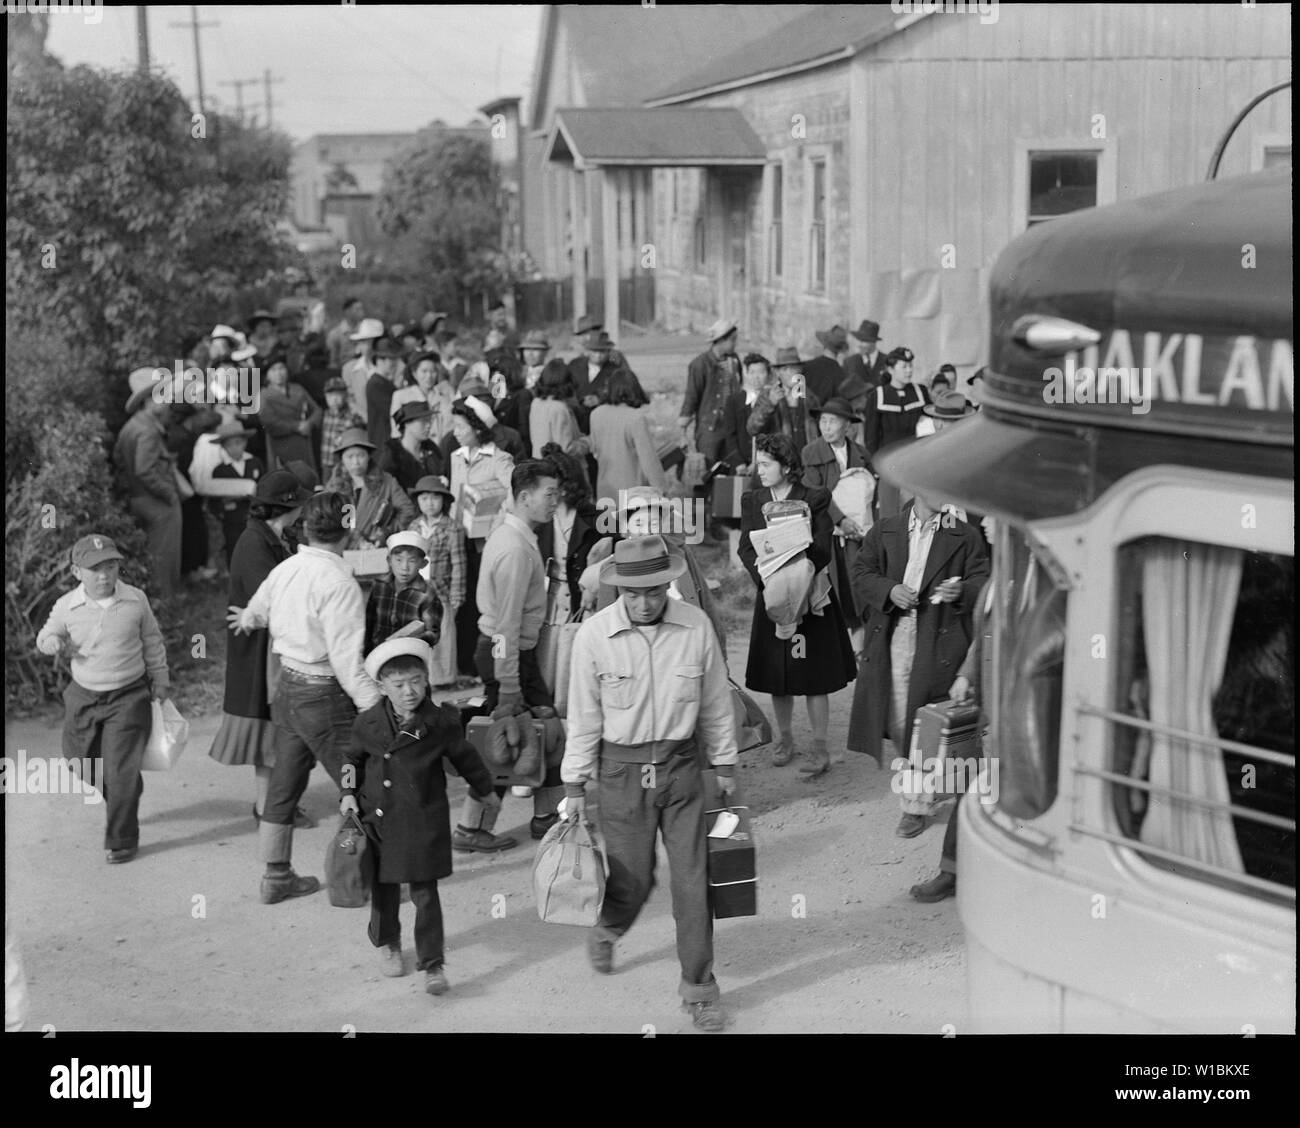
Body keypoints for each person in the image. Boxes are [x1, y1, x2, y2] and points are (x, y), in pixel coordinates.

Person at [560, 534, 737, 1032]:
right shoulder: (594, 636)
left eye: (654, 591)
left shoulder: (696, 627)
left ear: (667, 583)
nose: (643, 603)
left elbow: (715, 704)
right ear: (617, 587)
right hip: (621, 774)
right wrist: (574, 787)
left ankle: (699, 988)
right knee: (634, 876)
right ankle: (609, 928)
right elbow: (583, 717)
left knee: (692, 882)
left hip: (683, 770)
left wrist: (724, 766)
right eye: (632, 593)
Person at [228, 491, 382, 903]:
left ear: (307, 528)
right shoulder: (340, 583)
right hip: (324, 695)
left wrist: (247, 619)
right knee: (363, 785)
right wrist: (377, 706)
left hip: (287, 690)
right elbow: (347, 663)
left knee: (282, 787)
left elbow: (256, 609)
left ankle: (276, 875)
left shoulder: (287, 568)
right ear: (346, 530)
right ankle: (369, 878)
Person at [341, 639, 502, 996]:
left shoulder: (441, 722)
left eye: (416, 681)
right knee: (383, 892)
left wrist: (485, 789)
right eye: (398, 685)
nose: (409, 691)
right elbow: (350, 760)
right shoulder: (367, 723)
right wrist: (348, 794)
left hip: (422, 821)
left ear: (427, 678)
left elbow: (466, 758)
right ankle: (388, 943)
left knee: (425, 894)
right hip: (378, 819)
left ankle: (432, 965)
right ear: (382, 687)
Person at [846, 493, 990, 836]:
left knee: (923, 720)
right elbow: (862, 571)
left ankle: (916, 803)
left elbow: (982, 580)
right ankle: (921, 781)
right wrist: (890, 590)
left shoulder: (964, 534)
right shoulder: (886, 529)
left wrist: (962, 591)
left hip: (938, 635)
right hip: (894, 632)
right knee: (898, 719)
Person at [35, 534, 171, 863]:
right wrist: (50, 641)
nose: (104, 575)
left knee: (120, 768)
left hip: (128, 694)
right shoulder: (68, 605)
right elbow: (47, 633)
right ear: (76, 571)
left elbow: (151, 640)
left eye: (111, 566)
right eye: (95, 569)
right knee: (79, 761)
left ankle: (122, 838)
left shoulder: (135, 600)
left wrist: (161, 676)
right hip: (84, 694)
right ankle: (124, 793)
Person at [457, 458, 563, 848]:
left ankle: (543, 817)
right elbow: (507, 626)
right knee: (511, 737)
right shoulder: (515, 548)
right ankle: (474, 827)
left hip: (511, 654)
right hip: (509, 654)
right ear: (523, 496)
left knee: (536, 732)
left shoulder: (513, 536)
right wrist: (509, 684)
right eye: (549, 494)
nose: (555, 502)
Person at [738, 434, 856, 778]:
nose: (759, 470)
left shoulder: (815, 498)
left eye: (766, 464)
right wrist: (769, 581)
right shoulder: (753, 500)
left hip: (811, 595)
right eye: (758, 463)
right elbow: (746, 548)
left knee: (814, 675)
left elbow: (821, 548)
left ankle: (820, 747)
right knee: (779, 674)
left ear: (787, 467)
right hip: (772, 594)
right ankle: (785, 739)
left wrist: (796, 572)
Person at [208, 471, 315, 827]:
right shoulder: (255, 544)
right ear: (287, 506)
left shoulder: (275, 536)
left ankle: (275, 804)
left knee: (278, 729)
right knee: (270, 729)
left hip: (269, 647)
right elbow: (273, 602)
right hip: (260, 653)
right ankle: (268, 808)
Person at [910, 573, 994, 902]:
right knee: (970, 786)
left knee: (995, 793)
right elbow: (986, 635)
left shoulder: (1034, 574)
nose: (986, 521)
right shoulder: (1003, 573)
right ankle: (952, 872)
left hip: (1014, 708)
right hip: (988, 703)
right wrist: (966, 674)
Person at [448, 397, 516, 678]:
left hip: (484, 544)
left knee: (484, 600)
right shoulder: (456, 457)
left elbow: (515, 491)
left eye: (461, 426)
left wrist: (494, 521)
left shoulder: (499, 459)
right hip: (459, 540)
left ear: (477, 428)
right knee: (461, 601)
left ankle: (484, 664)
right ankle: (463, 663)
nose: (455, 431)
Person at [801, 398, 873, 651]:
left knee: (857, 585)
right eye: (822, 421)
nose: (826, 427)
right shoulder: (811, 452)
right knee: (830, 586)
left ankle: (859, 646)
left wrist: (861, 525)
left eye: (832, 421)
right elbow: (814, 493)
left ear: (847, 426)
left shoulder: (861, 453)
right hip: (827, 533)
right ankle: (832, 648)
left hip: (857, 534)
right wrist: (841, 519)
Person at [113, 367, 183, 598]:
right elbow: (145, 471)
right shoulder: (148, 431)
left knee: (154, 555)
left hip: (137, 498)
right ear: (148, 401)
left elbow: (120, 461)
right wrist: (170, 495)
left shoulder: (132, 426)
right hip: (155, 502)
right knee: (164, 556)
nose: (167, 400)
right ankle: (166, 605)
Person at [408, 475, 465, 688]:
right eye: (424, 498)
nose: (429, 503)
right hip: (418, 591)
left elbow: (459, 562)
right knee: (421, 632)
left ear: (443, 500)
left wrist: (457, 594)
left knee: (445, 635)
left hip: (442, 590)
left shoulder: (452, 527)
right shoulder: (414, 526)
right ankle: (426, 677)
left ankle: (445, 679)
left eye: (434, 498)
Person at [863, 346, 928, 518]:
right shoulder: (877, 396)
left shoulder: (920, 392)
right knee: (889, 515)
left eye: (910, 366)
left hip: (915, 464)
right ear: (891, 369)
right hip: (888, 466)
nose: (909, 370)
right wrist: (876, 468)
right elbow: (871, 437)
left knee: (916, 513)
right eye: (904, 367)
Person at [325, 428, 418, 550]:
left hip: (375, 549)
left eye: (360, 455)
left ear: (369, 456)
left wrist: (386, 533)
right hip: (343, 550)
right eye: (350, 457)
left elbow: (407, 510)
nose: (356, 462)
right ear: (342, 459)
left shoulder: (386, 481)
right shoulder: (333, 486)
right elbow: (326, 519)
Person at [588, 370, 669, 506]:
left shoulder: (596, 414)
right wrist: (661, 489)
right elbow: (648, 459)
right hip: (633, 493)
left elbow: (595, 450)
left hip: (605, 490)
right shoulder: (636, 418)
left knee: (609, 526)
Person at [364, 531, 442, 654]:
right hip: (377, 653)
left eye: (412, 561)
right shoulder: (379, 585)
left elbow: (433, 634)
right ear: (389, 560)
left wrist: (406, 642)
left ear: (423, 563)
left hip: (409, 658)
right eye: (399, 560)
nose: (404, 567)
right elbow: (369, 622)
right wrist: (365, 652)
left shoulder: (427, 594)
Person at [679, 319, 741, 462]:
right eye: (733, 340)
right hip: (710, 428)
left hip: (731, 425)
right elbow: (691, 397)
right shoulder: (700, 364)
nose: (735, 344)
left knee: (729, 472)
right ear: (721, 340)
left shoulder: (734, 360)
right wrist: (682, 433)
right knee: (708, 470)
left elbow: (739, 388)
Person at [209, 420, 264, 569]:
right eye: (229, 445)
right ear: (223, 447)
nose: (234, 448)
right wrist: (223, 509)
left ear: (245, 442)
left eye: (238, 443)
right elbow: (214, 498)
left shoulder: (255, 462)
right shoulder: (220, 470)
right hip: (232, 519)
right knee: (234, 548)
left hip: (253, 516)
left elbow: (263, 488)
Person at [257, 353, 321, 474]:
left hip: (303, 440)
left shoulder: (298, 389)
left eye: (281, 368)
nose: (279, 373)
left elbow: (317, 410)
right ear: (267, 375)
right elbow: (270, 422)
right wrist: (297, 426)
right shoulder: (264, 395)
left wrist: (310, 423)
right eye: (274, 370)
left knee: (306, 475)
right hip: (280, 442)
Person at [747, 347, 820, 447]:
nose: (790, 373)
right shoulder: (768, 395)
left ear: (800, 370)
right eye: (785, 369)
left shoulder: (810, 398)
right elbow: (752, 429)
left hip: (806, 458)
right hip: (779, 458)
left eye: (793, 368)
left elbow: (819, 432)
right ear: (778, 372)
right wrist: (770, 404)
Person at [528, 359, 588, 460]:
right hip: (559, 468)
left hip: (540, 462)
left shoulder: (536, 402)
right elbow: (566, 448)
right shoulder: (559, 408)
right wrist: (587, 443)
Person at [379, 401, 445, 490]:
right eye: (423, 421)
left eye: (429, 420)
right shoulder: (392, 454)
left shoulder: (431, 449)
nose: (428, 425)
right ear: (407, 424)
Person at [840, 319, 889, 416]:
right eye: (860, 340)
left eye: (865, 341)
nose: (861, 345)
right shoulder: (849, 362)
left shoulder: (887, 361)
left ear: (874, 342)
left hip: (881, 414)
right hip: (857, 416)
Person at [342, 318, 385, 424]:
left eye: (367, 341)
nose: (364, 346)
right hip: (360, 424)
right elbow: (349, 398)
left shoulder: (391, 368)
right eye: (362, 341)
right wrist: (363, 416)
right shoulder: (349, 369)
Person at [366, 337, 404, 452]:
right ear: (379, 360)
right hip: (382, 442)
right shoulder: (376, 384)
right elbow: (392, 411)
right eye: (390, 359)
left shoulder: (384, 382)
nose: (394, 363)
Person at [320, 376, 365, 473]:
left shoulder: (352, 417)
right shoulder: (326, 414)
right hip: (326, 463)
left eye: (338, 395)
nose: (334, 399)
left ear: (345, 396)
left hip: (344, 465)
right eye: (330, 395)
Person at [803, 324, 850, 404]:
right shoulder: (842, 375)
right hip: (827, 415)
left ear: (824, 344)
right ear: (839, 350)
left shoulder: (807, 366)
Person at [327, 296, 366, 369]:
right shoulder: (335, 334)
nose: (361, 312)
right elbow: (333, 361)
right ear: (347, 311)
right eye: (357, 309)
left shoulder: (366, 331)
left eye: (361, 309)